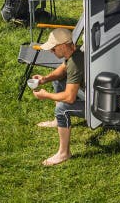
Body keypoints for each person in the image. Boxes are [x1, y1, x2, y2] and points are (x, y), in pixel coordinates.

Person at [31, 27, 85, 166]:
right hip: (91, 94)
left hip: (99, 106)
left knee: (62, 108)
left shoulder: (75, 63)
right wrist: (44, 79)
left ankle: (64, 153)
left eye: (53, 49)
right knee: (57, 79)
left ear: (62, 46)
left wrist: (46, 95)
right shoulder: (76, 51)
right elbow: (62, 70)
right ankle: (58, 121)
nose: (51, 51)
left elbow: (69, 97)